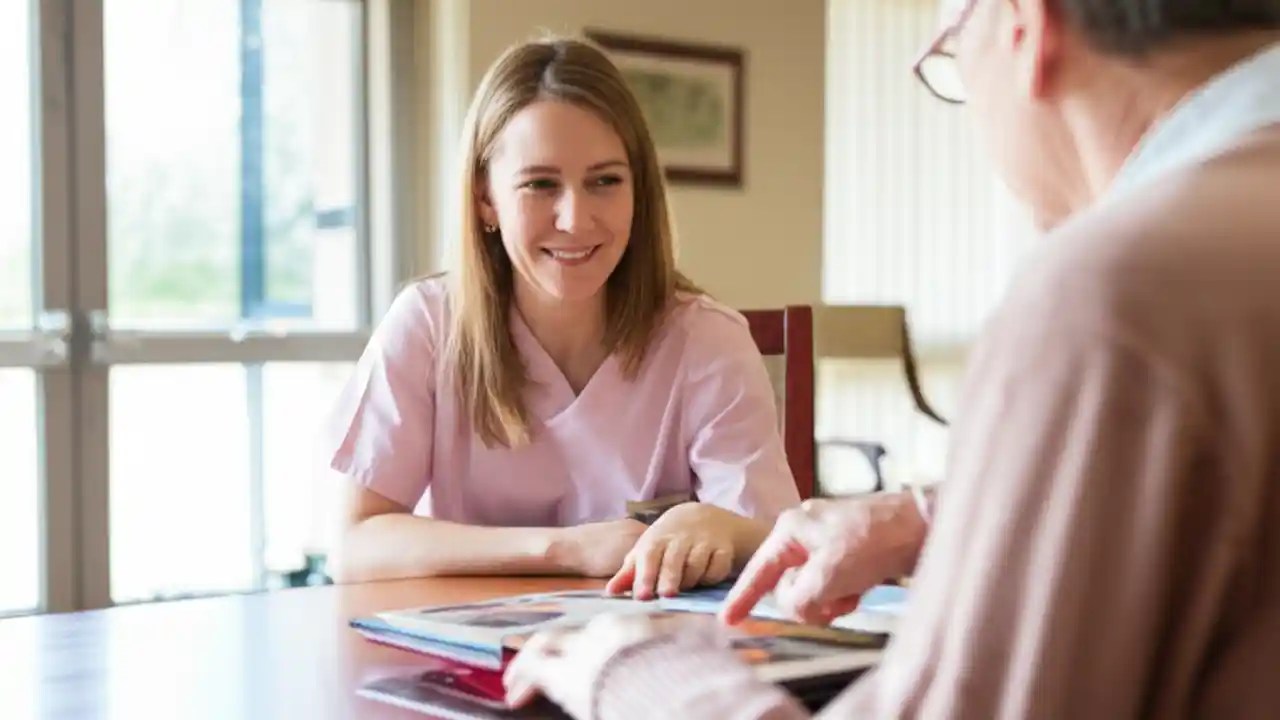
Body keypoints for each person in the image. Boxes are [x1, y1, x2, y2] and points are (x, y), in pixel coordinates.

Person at [504, 1, 1280, 717]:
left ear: (1022, 27)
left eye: (951, 61)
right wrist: (933, 516)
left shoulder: (1117, 291)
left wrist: (636, 670)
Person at [319, 38, 801, 597]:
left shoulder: (708, 339)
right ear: (485, 199)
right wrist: (566, 549)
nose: (575, 219)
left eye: (605, 181)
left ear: (638, 190)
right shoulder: (428, 325)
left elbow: (776, 541)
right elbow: (355, 544)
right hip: (471, 658)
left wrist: (721, 527)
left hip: (649, 658)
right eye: (540, 184)